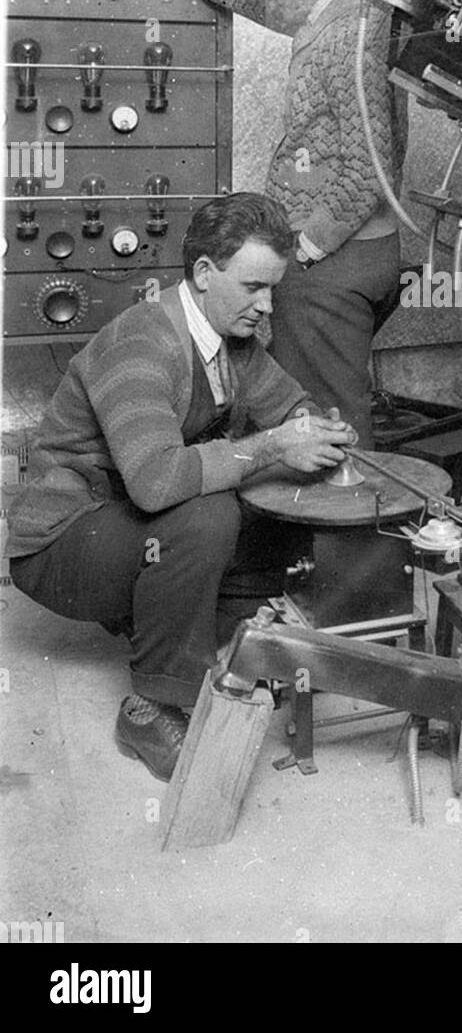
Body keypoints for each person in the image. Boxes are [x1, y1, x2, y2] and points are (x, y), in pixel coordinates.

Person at [6, 192, 357, 782]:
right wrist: (273, 445)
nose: (266, 306)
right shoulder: (141, 343)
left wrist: (315, 426)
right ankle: (151, 706)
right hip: (63, 543)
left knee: (282, 511)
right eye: (252, 287)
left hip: (125, 524)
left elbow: (286, 403)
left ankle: (200, 614)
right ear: (202, 274)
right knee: (207, 516)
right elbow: (156, 482)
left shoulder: (231, 339)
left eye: (273, 288)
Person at [100, 0, 407, 445]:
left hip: (333, 264)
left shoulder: (351, 33)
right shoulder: (332, 7)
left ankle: (341, 527)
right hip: (343, 257)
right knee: (308, 408)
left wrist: (300, 255)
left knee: (327, 422)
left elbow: (367, 171)